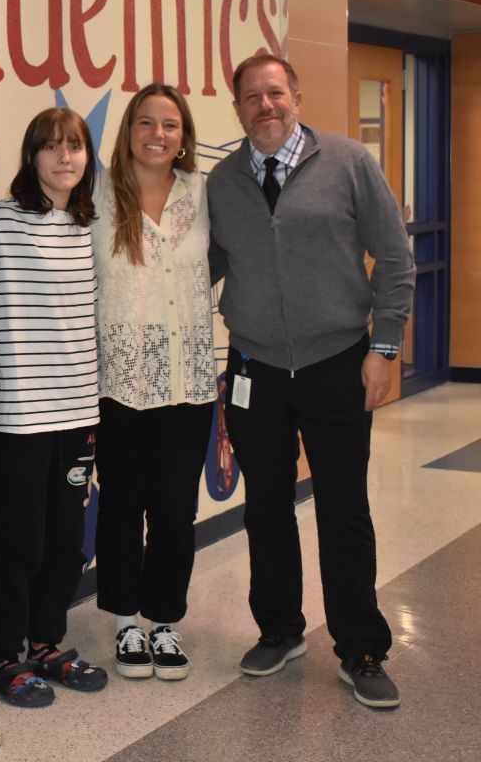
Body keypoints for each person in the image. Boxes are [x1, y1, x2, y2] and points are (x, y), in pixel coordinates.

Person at [207, 54, 414, 708]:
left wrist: (383, 347)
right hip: (255, 370)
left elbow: (397, 258)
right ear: (237, 107)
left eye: (274, 93)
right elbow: (199, 267)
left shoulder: (348, 162)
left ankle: (360, 647)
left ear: (295, 95)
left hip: (338, 364)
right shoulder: (222, 181)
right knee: (265, 506)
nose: (264, 105)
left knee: (344, 508)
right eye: (251, 97)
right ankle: (279, 629)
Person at [0, 107, 107, 707]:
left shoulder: (93, 227)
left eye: (74, 147)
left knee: (65, 544)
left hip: (79, 417)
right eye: (50, 147)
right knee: (16, 545)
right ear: (31, 157)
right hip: (19, 420)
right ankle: (2, 654)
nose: (64, 158)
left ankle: (46, 642)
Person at [91, 84, 216, 682]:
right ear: (129, 131)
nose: (157, 135)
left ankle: (164, 620)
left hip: (189, 383)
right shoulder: (95, 194)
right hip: (117, 381)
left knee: (174, 509)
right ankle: (124, 622)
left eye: (169, 125)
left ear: (183, 135)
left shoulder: (203, 193)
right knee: (121, 505)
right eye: (146, 122)